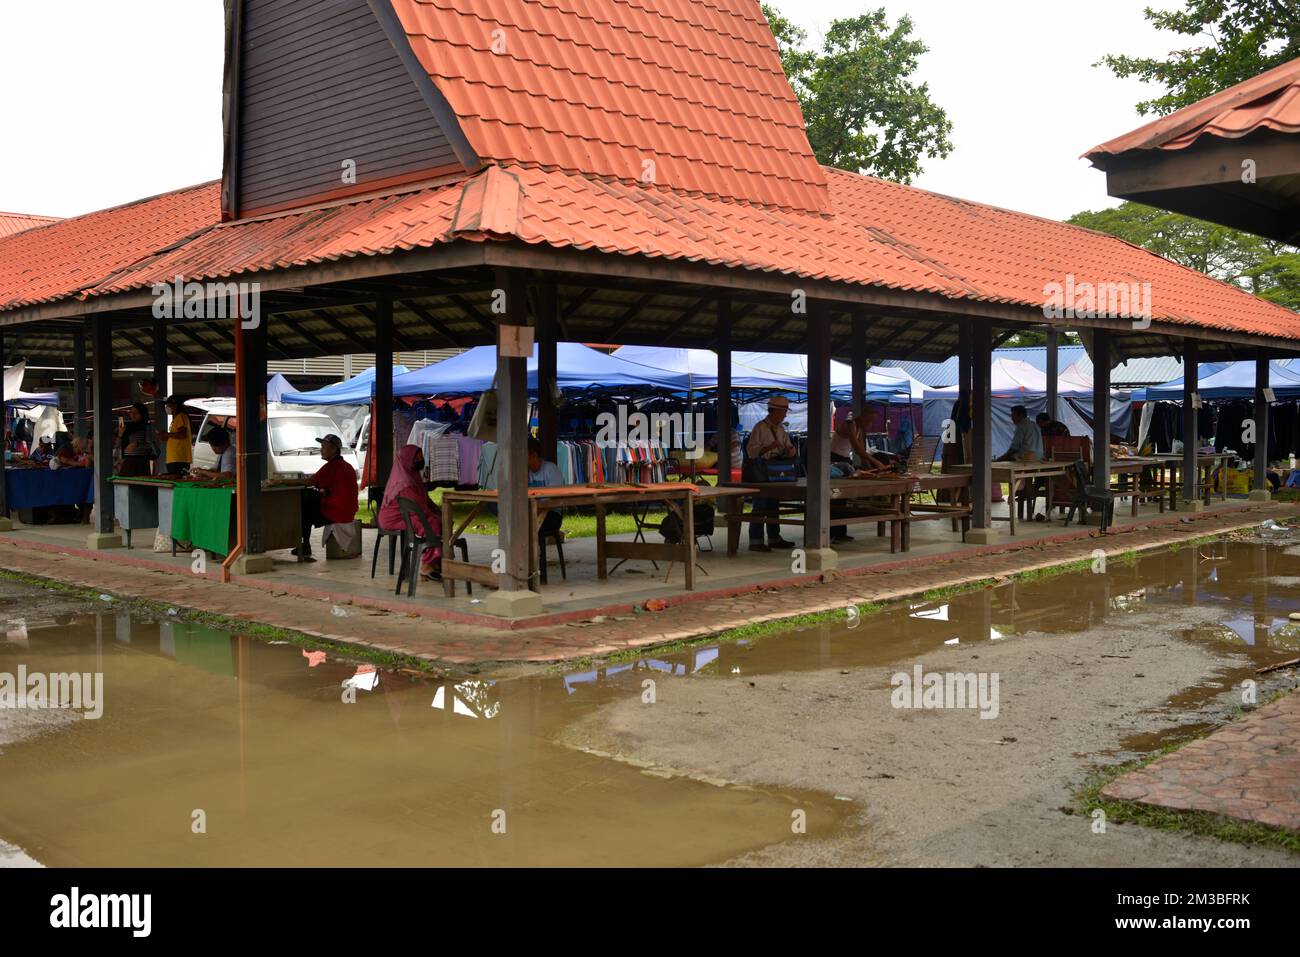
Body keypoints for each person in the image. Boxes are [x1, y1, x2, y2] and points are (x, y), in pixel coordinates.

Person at [379, 444, 442, 581]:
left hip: (408, 514)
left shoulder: (412, 476)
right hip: (394, 519)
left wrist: (437, 510)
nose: (420, 460)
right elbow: (418, 508)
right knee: (431, 523)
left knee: (436, 520)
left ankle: (435, 561)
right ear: (407, 460)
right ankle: (427, 565)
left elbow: (424, 499)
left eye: (421, 456)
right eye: (416, 457)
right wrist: (434, 514)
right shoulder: (404, 482)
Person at [743, 396, 797, 552]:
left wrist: (790, 450)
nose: (785, 415)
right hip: (761, 472)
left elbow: (789, 447)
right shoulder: (759, 427)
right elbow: (751, 452)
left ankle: (774, 538)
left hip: (775, 472)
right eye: (784, 412)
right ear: (776, 411)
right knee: (759, 506)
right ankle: (755, 541)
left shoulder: (781, 429)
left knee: (773, 505)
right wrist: (769, 447)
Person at [294, 434, 359, 560]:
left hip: (337, 512)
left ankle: (305, 546)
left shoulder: (333, 466)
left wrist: (278, 481)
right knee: (310, 500)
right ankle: (304, 546)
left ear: (334, 449)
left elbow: (310, 481)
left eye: (324, 447)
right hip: (347, 510)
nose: (321, 450)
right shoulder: (345, 466)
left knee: (304, 506)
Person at [527, 436, 565, 546]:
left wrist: (534, 509)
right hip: (531, 512)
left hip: (551, 515)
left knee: (526, 525)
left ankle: (535, 560)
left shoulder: (550, 469)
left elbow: (553, 496)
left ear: (533, 455)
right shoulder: (525, 472)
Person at [157, 396, 193, 476]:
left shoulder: (181, 416)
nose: (167, 408)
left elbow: (182, 434)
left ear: (175, 406)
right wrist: (164, 435)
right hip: (174, 458)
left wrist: (166, 434)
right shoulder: (176, 418)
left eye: (169, 405)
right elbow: (174, 436)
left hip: (179, 458)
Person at [118, 402, 154, 477]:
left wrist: (137, 444)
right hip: (128, 462)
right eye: (131, 412)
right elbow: (119, 446)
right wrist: (120, 435)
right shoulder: (127, 427)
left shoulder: (147, 427)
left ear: (142, 414)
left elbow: (151, 445)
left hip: (141, 462)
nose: (133, 415)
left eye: (136, 412)